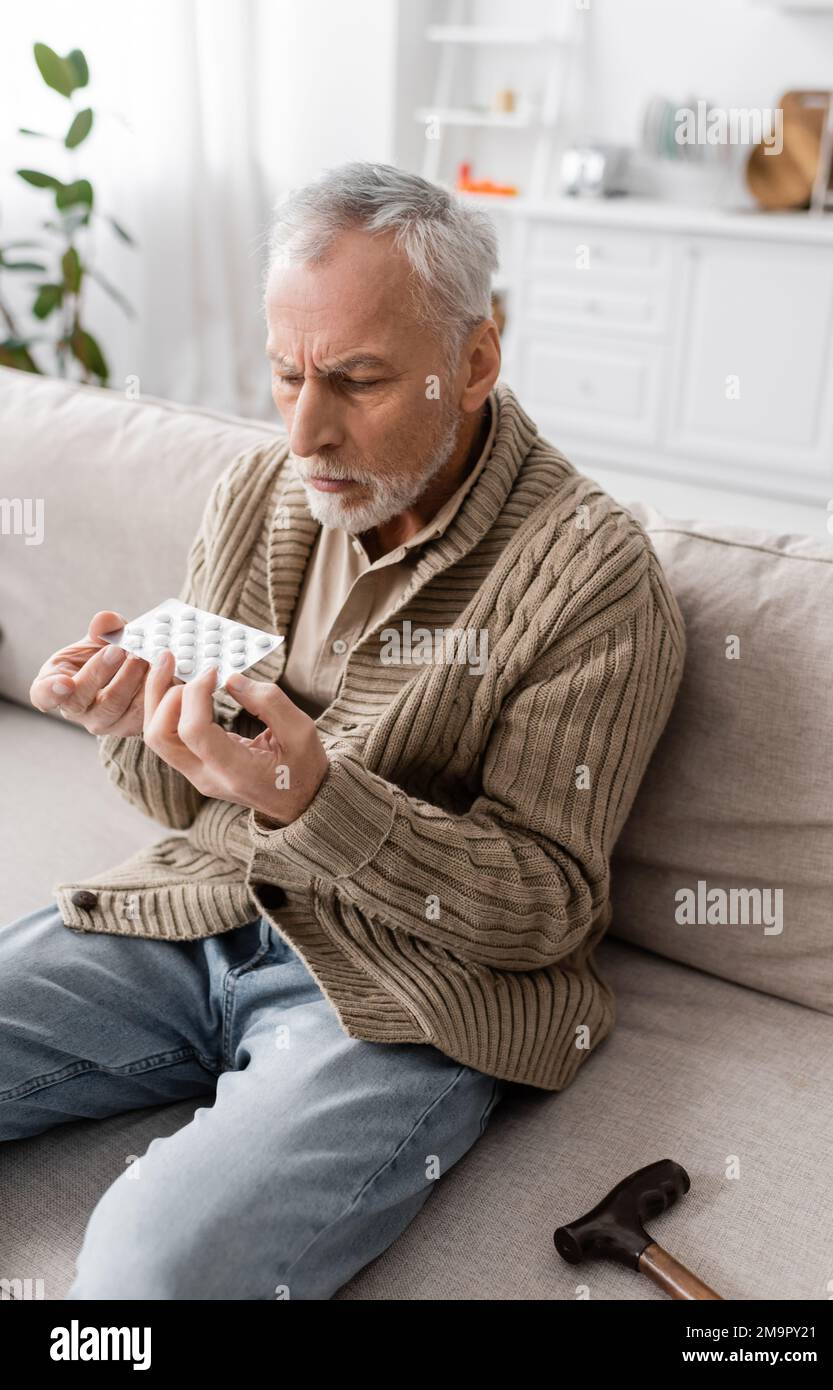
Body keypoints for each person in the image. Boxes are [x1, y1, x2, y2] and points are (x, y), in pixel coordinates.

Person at [8, 162, 686, 1300]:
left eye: (359, 380)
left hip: (408, 994)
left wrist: (316, 801)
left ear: (473, 360)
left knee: (148, 1275)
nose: (308, 430)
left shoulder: (594, 580)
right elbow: (185, 799)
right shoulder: (261, 495)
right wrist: (132, 723)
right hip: (202, 911)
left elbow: (547, 903)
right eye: (284, 375)